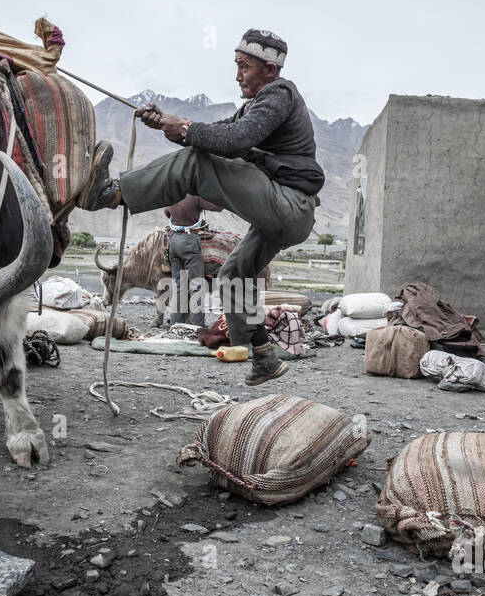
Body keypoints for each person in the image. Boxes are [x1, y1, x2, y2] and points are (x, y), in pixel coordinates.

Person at [80, 29, 323, 384]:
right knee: (233, 274)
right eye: (237, 65)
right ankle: (264, 358)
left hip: (289, 204)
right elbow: (218, 132)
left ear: (270, 70)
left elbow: (234, 140)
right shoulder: (256, 107)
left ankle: (113, 194)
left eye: (244, 66)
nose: (237, 74)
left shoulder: (279, 94)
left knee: (195, 164)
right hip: (286, 216)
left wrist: (187, 130)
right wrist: (169, 123)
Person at [163, 194, 221, 326]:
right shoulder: (195, 196)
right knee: (196, 285)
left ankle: (175, 324)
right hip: (189, 241)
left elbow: (167, 213)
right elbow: (218, 207)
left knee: (179, 285)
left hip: (174, 241)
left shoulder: (173, 194)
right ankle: (196, 326)